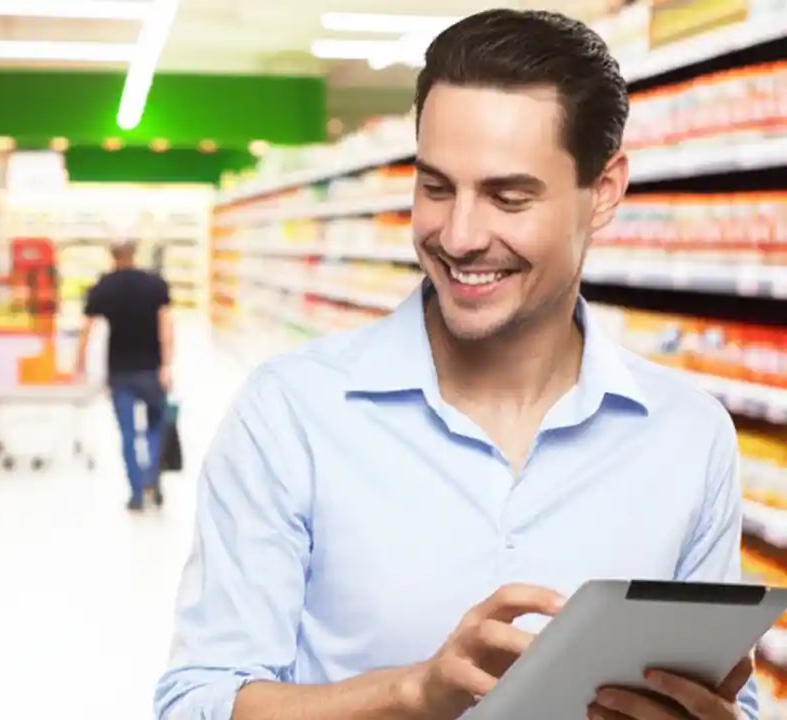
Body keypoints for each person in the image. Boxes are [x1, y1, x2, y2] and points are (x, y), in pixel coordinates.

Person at [156, 9, 757, 720]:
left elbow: (730, 701)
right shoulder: (291, 412)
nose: (459, 236)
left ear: (603, 193)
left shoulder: (689, 436)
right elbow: (199, 701)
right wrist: (413, 693)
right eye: (435, 187)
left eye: (508, 197)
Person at [76, 239, 174, 511]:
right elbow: (166, 326)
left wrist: (79, 363)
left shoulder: (104, 286)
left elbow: (86, 328)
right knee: (156, 425)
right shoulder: (154, 284)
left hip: (120, 372)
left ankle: (136, 492)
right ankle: (151, 474)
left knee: (128, 434)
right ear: (135, 253)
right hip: (152, 369)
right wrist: (166, 365)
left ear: (112, 255)